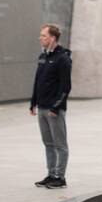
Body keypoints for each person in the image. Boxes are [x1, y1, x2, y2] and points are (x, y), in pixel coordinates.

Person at [29, 24, 72, 189]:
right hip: (42, 107)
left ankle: (60, 177)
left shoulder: (63, 58)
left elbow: (65, 86)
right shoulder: (43, 57)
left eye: (43, 36)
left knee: (60, 144)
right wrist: (33, 102)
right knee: (48, 143)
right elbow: (37, 80)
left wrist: (56, 107)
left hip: (54, 109)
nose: (40, 38)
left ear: (53, 38)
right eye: (41, 35)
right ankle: (51, 174)